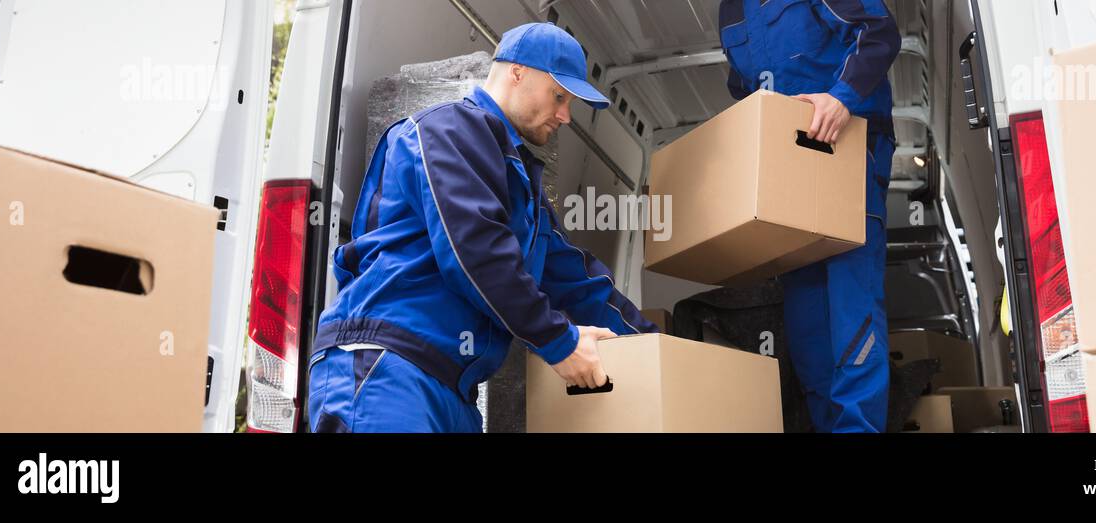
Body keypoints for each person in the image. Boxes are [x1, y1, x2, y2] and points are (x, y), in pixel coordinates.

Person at [307, 22, 657, 433]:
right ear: (517, 72)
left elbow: (575, 280)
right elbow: (475, 251)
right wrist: (561, 343)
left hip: (454, 390)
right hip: (390, 366)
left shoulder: (522, 188)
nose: (565, 115)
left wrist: (655, 347)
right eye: (559, 96)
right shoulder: (449, 130)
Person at [718, 0, 901, 432]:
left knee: (851, 312)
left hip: (848, 153)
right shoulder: (728, 11)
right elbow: (743, 89)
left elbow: (878, 32)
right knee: (808, 330)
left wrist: (843, 99)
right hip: (789, 174)